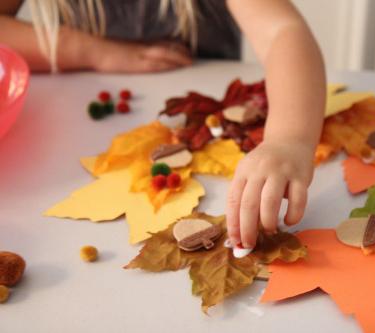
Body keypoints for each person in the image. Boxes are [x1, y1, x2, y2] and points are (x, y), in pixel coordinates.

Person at [0, 0, 326, 250]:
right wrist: (90, 50)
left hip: (212, 134)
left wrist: (289, 139)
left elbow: (283, 31)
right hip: (70, 134)